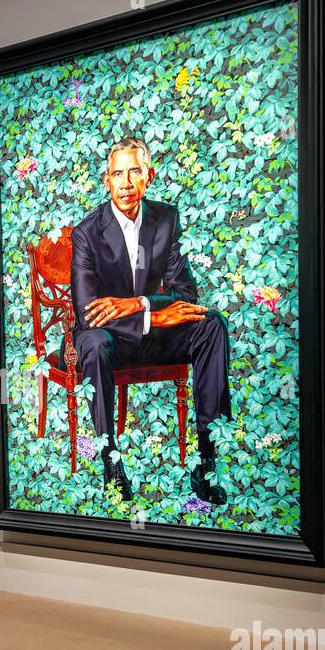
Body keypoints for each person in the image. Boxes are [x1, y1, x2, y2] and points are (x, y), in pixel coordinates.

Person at [70, 136, 233, 504]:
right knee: (93, 344)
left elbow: (185, 293)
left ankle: (207, 461)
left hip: (152, 334)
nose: (125, 183)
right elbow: (88, 312)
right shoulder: (87, 233)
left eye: (134, 172)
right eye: (117, 174)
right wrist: (151, 315)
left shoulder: (166, 219)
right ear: (106, 180)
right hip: (109, 341)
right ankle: (111, 462)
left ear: (149, 175)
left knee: (211, 324)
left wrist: (138, 305)